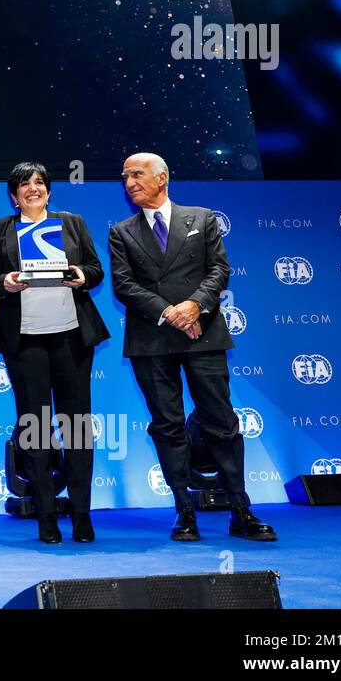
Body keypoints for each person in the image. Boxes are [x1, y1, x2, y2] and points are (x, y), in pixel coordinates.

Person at [108, 152, 276, 542]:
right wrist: (170, 312)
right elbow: (124, 284)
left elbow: (219, 269)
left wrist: (195, 305)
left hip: (204, 334)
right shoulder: (121, 231)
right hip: (151, 339)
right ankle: (184, 512)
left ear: (162, 177)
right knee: (167, 426)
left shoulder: (201, 218)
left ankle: (241, 509)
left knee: (220, 422)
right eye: (125, 176)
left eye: (136, 174)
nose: (129, 182)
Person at [0, 162, 110, 543]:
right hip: (25, 341)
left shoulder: (72, 223)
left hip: (71, 337)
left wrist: (82, 275)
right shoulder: (0, 230)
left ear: (49, 191)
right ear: (13, 194)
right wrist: (6, 281)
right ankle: (46, 515)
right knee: (34, 430)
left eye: (39, 183)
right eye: (24, 184)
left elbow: (95, 269)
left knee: (77, 427)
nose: (32, 189)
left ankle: (82, 515)